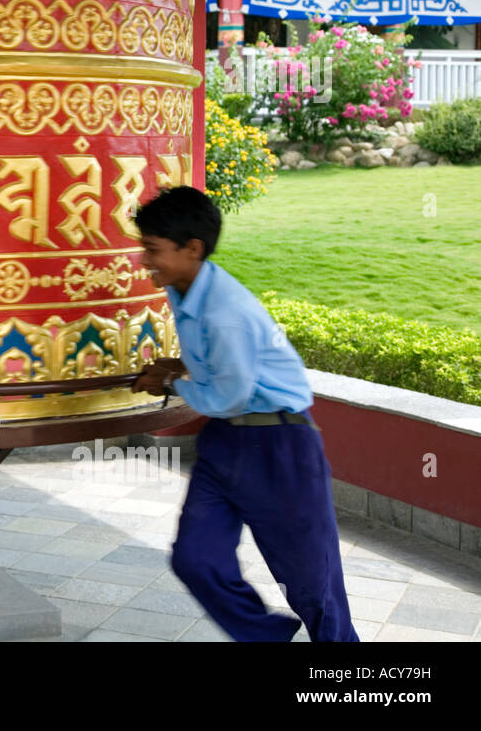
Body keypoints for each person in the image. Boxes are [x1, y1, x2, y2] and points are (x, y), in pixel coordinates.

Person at [132, 185, 358, 642]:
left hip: (280, 445)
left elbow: (231, 396)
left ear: (192, 248)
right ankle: (268, 637)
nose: (144, 260)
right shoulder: (184, 287)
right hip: (225, 443)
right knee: (196, 559)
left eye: (153, 250)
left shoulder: (224, 310)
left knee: (312, 586)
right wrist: (183, 366)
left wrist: (173, 381)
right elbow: (223, 376)